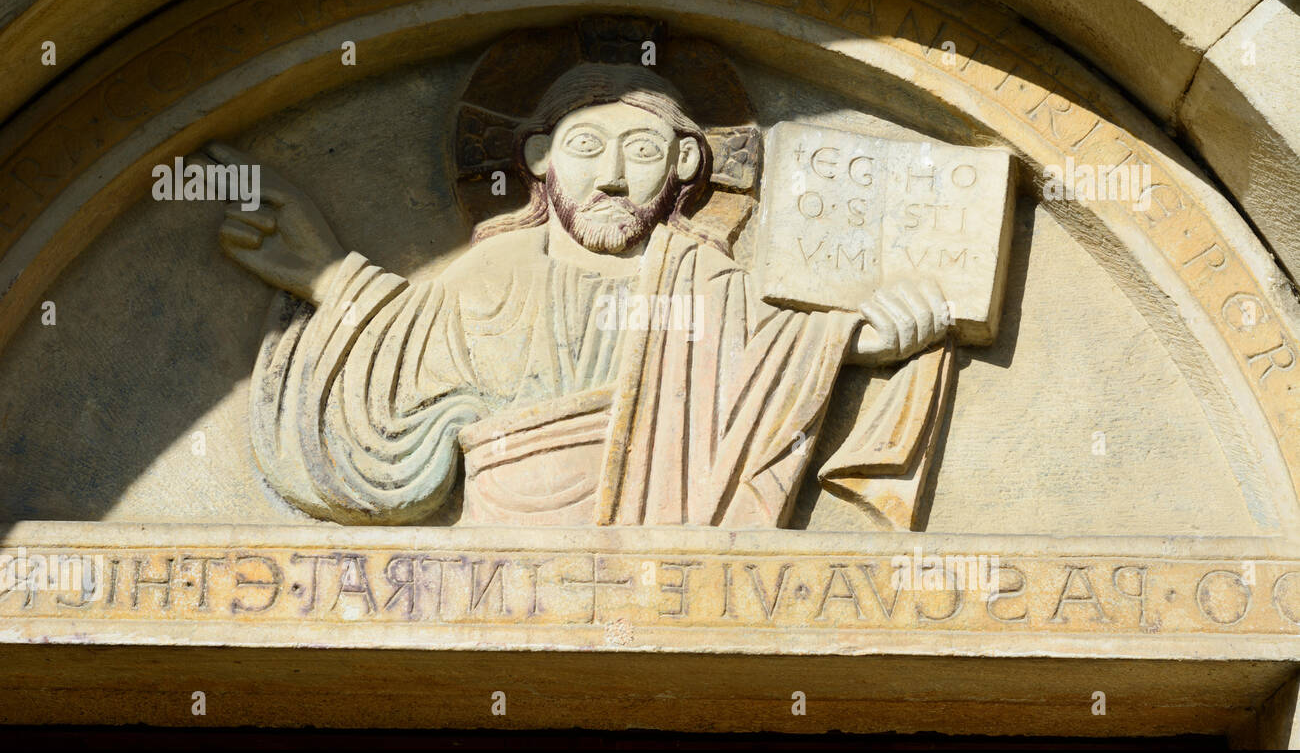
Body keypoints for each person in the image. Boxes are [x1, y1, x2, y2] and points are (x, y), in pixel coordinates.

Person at [215, 63, 951, 527]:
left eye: (641, 151)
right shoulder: (494, 272)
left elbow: (768, 361)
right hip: (502, 563)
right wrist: (324, 274)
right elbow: (403, 353)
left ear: (684, 163)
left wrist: (863, 340)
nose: (611, 178)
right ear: (541, 159)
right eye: (587, 147)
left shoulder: (708, 281)